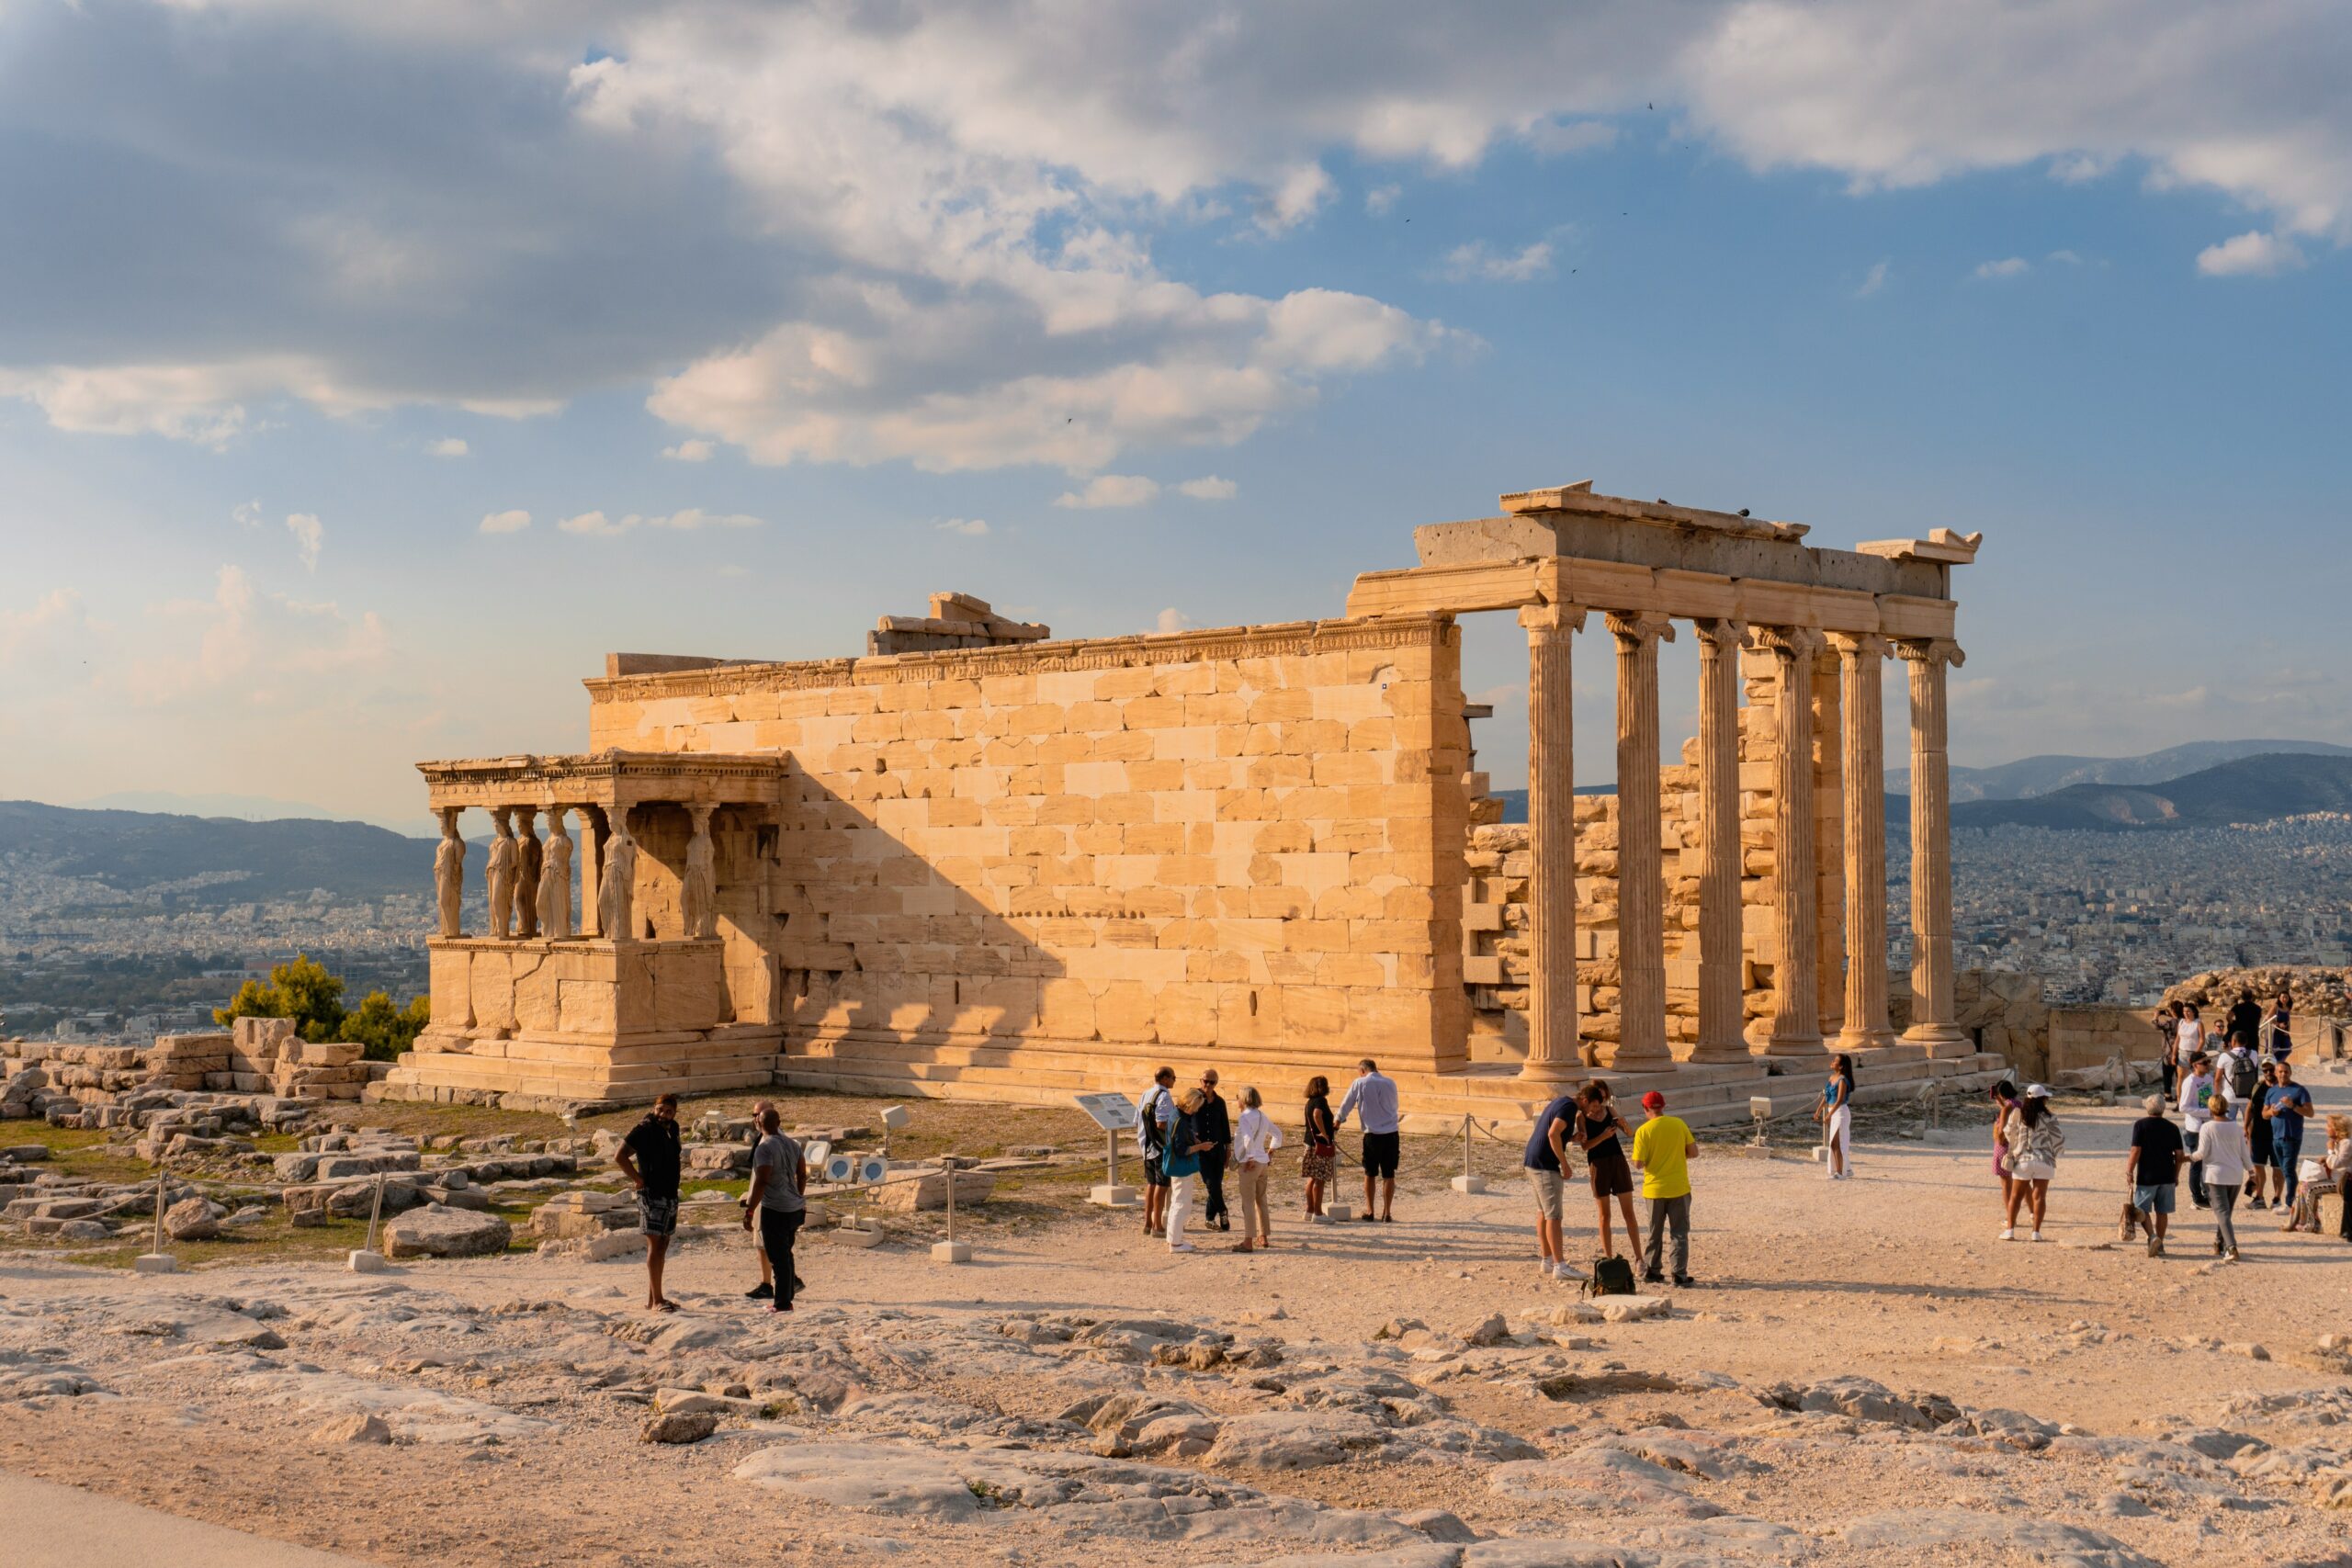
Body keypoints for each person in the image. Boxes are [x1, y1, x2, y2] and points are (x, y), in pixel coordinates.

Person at [615, 1092, 684, 1312]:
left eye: (669, 1111)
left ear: (674, 1113)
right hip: (652, 1193)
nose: (663, 1114)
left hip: (670, 1193)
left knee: (663, 1244)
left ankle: (654, 1299)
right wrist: (637, 1179)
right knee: (655, 1245)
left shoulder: (673, 1128)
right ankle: (658, 1301)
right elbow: (620, 1156)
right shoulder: (643, 1129)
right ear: (654, 1108)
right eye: (660, 1110)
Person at [741, 1107, 807, 1313]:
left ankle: (782, 1303)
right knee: (786, 1252)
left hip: (775, 1208)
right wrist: (797, 1195)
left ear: (759, 1124)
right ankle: (788, 1296)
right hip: (795, 1207)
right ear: (779, 1123)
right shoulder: (793, 1145)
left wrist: (750, 1211)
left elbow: (762, 1181)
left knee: (778, 1258)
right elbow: (802, 1174)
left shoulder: (765, 1147)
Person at [1630, 1089, 1696, 1287]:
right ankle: (1679, 1274)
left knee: (1654, 1232)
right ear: (1663, 1107)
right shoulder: (1679, 1124)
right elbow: (1693, 1152)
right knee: (1679, 1233)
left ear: (1645, 1108)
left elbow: (1638, 1163)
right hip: (1679, 1187)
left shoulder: (1643, 1131)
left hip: (1654, 1190)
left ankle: (1653, 1271)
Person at [1577, 1080, 1640, 1263]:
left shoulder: (1609, 1111)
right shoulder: (1581, 1117)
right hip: (1598, 1164)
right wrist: (1604, 1136)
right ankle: (1609, 1258)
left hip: (1617, 1160)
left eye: (1603, 1099)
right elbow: (1585, 1146)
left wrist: (1623, 1123)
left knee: (1629, 1213)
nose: (1600, 1104)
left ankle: (1639, 1258)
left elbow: (1629, 1134)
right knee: (1605, 1216)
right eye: (1598, 1099)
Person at [1522, 1085, 1578, 1282]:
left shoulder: (1560, 1101)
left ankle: (1547, 1260)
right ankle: (1560, 1265)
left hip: (1532, 1160)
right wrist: (1565, 1164)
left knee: (1542, 1212)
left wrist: (1571, 1138)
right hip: (1546, 1165)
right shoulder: (1570, 1107)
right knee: (1554, 1216)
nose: (1593, 1112)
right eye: (1595, 1106)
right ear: (1588, 1100)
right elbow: (1553, 1133)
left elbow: (1556, 1132)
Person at [1334, 1058, 1401, 1223]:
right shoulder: (1391, 1082)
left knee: (1370, 1173)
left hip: (1372, 1134)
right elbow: (1394, 1105)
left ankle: (1370, 1210)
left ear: (1363, 1070)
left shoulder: (1360, 1082)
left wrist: (1337, 1121)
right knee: (1389, 1174)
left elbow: (1346, 1104)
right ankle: (1387, 1212)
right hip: (1392, 1132)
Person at [2123, 1093, 2187, 1258]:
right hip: (2167, 1175)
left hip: (2147, 1176)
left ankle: (2151, 1237)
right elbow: (2179, 1156)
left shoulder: (2140, 1125)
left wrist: (2129, 1171)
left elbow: (2135, 1151)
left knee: (2141, 1210)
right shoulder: (2172, 1127)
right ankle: (2160, 1242)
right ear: (2163, 1108)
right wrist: (2176, 1175)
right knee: (2162, 1212)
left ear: (2147, 1108)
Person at [2000, 1085, 2064, 1243]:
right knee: (2039, 1197)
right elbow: (2059, 1139)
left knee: (2016, 1196)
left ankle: (2010, 1230)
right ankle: (2036, 1232)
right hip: (2044, 1160)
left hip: (2023, 1160)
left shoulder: (2018, 1114)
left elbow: (2008, 1132)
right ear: (2043, 1099)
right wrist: (2054, 1153)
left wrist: (2017, 1147)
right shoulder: (2050, 1117)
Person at [2193, 1090, 2250, 1262]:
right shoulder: (2236, 1127)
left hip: (2215, 1175)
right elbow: (2244, 1153)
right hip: (2235, 1174)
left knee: (2222, 1212)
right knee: (2225, 1213)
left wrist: (2187, 1158)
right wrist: (2252, 1171)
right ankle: (2219, 1243)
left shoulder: (2207, 1127)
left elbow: (2202, 1153)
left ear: (2210, 1108)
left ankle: (2232, 1247)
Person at [1229, 1087, 1283, 1252]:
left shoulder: (1244, 1117)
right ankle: (1263, 1236)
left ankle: (1248, 1241)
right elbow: (1278, 1134)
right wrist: (1271, 1151)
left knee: (1248, 1202)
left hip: (1250, 1162)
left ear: (1244, 1099)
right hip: (1263, 1162)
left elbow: (1246, 1138)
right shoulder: (1262, 1115)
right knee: (1261, 1200)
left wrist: (1250, 1157)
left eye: (1238, 1097)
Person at [1162, 1087, 1213, 1253]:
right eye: (1196, 1106)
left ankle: (1174, 1239)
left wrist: (1192, 1137)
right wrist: (1201, 1146)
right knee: (1181, 1203)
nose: (1197, 1110)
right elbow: (1182, 1150)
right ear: (1190, 1104)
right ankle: (1175, 1244)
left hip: (1178, 1167)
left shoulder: (1176, 1114)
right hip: (1181, 1167)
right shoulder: (1181, 1121)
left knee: (1179, 1202)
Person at [2285, 1114, 2352, 1235]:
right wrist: (2326, 1158)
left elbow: (2338, 1163)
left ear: (2337, 1129)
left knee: (2310, 1189)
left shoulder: (2346, 1143)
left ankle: (2312, 1224)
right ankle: (2301, 1220)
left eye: (2329, 1126)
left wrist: (2330, 1151)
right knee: (2303, 1185)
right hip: (2335, 1178)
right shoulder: (2339, 1142)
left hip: (2342, 1182)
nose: (2326, 1128)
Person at [2263, 1059, 2314, 1216]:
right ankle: (2296, 1201)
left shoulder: (2299, 1090)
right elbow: (2263, 1114)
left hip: (2292, 1137)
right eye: (2280, 1071)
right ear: (2276, 1073)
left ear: (2290, 1073)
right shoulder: (2271, 1091)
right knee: (2285, 1171)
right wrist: (2272, 1112)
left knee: (2288, 1170)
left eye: (2286, 1071)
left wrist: (2293, 1106)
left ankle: (2290, 1203)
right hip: (2276, 1137)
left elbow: (2310, 1113)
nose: (2283, 1074)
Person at [1137, 1066, 1176, 1238]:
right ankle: (1158, 1226)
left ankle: (1147, 1223)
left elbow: (1137, 1119)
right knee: (1162, 1185)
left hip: (1146, 1146)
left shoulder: (1145, 1094)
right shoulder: (1165, 1096)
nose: (1174, 1081)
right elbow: (1161, 1123)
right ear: (1166, 1079)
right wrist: (1177, 1127)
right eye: (1173, 1078)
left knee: (1151, 1183)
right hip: (1160, 1147)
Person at [2177, 1053, 2216, 1209]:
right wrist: (2207, 1112)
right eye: (2204, 1062)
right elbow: (2183, 1107)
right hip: (2195, 1128)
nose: (2208, 1065)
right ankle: (2196, 1197)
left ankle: (2207, 1194)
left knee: (2208, 1162)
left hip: (2208, 1125)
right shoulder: (2189, 1082)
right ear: (2195, 1065)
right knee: (2196, 1163)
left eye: (2208, 1062)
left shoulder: (2208, 1079)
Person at [1196, 1070, 1233, 1233]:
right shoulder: (1194, 1098)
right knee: (1211, 1184)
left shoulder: (1220, 1102)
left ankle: (1209, 1219)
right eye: (1206, 1081)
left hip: (1218, 1149)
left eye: (1212, 1082)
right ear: (1200, 1080)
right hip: (1201, 1150)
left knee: (1216, 1185)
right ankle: (1223, 1211)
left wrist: (1228, 1150)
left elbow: (1225, 1126)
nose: (1208, 1085)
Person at [1301, 1076, 1338, 1221]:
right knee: (1320, 1179)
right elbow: (1317, 1115)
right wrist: (1324, 1133)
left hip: (1310, 1142)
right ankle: (1318, 1213)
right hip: (1320, 1144)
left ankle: (1309, 1210)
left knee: (1311, 1178)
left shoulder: (1309, 1102)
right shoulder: (1321, 1101)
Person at [2242, 1060, 2277, 1210]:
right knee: (2258, 1166)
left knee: (2278, 1168)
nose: (2269, 1073)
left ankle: (2277, 1199)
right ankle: (2260, 1197)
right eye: (2265, 1070)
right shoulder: (2257, 1087)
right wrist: (2245, 1126)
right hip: (2258, 1133)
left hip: (2277, 1134)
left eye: (2271, 1070)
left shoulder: (2283, 1088)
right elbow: (2250, 1107)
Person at [1817, 1054, 1856, 1180]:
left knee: (1837, 1143)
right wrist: (1818, 1110)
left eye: (1835, 1061)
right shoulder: (1832, 1077)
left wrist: (1829, 1114)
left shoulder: (1843, 1080)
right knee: (1835, 1143)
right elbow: (1827, 1097)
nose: (1832, 1062)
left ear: (1840, 1066)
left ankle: (1840, 1173)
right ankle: (1847, 1169)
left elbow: (1839, 1100)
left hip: (1841, 1113)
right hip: (1833, 1112)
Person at [1990, 1079, 2022, 1215]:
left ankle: (2010, 1216)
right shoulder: (2019, 1104)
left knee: (2006, 1184)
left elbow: (2002, 1133)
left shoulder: (2006, 1108)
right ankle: (2032, 1213)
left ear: (2001, 1094)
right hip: (2019, 1145)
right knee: (2021, 1182)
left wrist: (1997, 1132)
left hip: (2004, 1147)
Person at [2226, 990, 2263, 1063]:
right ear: (2252, 997)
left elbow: (2228, 1016)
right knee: (2253, 1058)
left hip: (2241, 1035)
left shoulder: (2238, 1007)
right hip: (2253, 1035)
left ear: (2242, 997)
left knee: (2239, 1058)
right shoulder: (2258, 1008)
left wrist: (2233, 1024)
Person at [2154, 1003, 2179, 1098]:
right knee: (2179, 1076)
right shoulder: (2183, 1021)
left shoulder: (2171, 1022)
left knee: (2167, 1075)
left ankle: (2167, 1095)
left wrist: (2156, 1016)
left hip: (2169, 1052)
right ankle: (2179, 1095)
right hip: (2181, 1052)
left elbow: (2156, 1026)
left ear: (2173, 1010)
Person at [2266, 989, 2295, 1065]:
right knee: (2275, 1049)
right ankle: (2274, 1064)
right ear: (2279, 998)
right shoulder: (2276, 1006)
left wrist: (2288, 1031)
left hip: (2284, 1032)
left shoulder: (2288, 1007)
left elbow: (2288, 1021)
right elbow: (2268, 1018)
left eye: (2286, 997)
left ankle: (2279, 1062)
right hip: (2275, 1031)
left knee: (2287, 1048)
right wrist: (2278, 1024)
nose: (2285, 999)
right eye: (2283, 997)